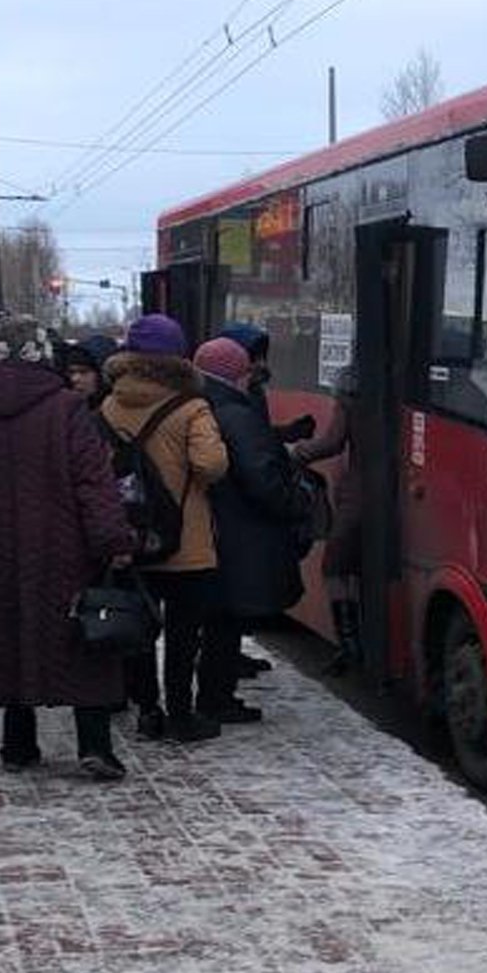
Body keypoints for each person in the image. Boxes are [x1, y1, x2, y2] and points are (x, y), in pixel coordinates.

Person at [0, 315, 136, 778]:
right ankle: (95, 748)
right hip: (63, 552)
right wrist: (112, 540)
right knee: (82, 641)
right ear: (45, 354)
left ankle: (18, 744)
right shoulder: (67, 409)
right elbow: (94, 483)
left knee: (8, 638)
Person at [99, 314, 228, 743]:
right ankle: (180, 716)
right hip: (185, 540)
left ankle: (147, 711)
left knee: (137, 629)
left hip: (131, 537)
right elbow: (211, 464)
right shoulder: (192, 406)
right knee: (183, 633)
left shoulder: (110, 404)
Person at [193, 337, 310, 724]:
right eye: (247, 371)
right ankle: (216, 699)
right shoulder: (236, 413)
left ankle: (211, 696)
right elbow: (260, 478)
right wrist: (294, 505)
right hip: (238, 530)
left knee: (215, 620)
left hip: (211, 528)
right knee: (225, 622)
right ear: (236, 375)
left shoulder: (200, 405)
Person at [291, 364, 364, 676]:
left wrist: (295, 453)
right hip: (387, 492)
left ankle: (349, 646)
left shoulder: (353, 389)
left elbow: (332, 442)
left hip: (359, 497)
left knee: (334, 568)